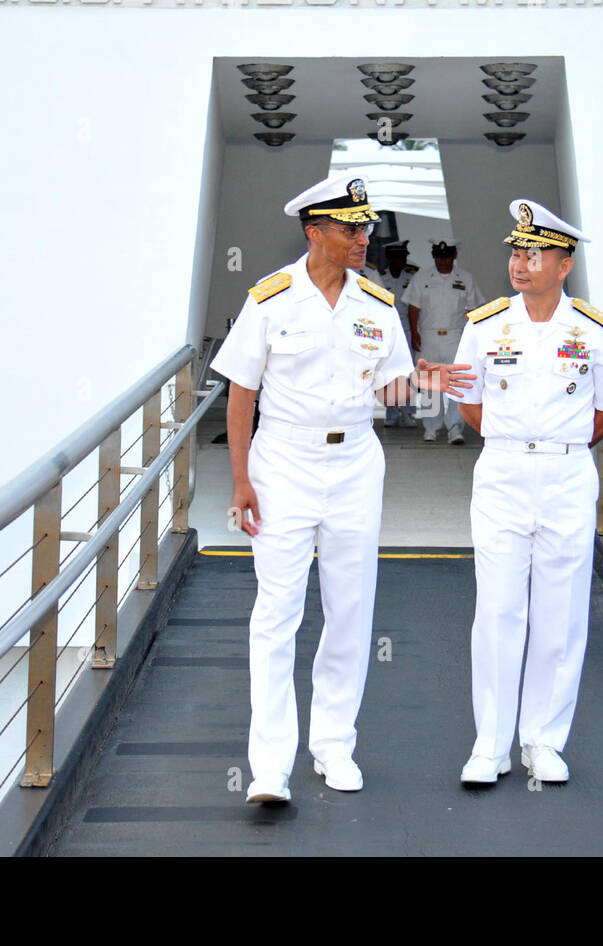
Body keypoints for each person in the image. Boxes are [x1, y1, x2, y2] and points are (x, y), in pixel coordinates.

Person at [209, 171, 474, 804]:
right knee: (277, 614)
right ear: (314, 231)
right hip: (282, 464)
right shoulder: (270, 299)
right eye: (351, 228)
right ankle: (270, 767)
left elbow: (387, 390)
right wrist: (241, 479)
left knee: (350, 610)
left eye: (364, 228)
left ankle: (333, 745)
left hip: (355, 461)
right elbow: (241, 393)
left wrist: (427, 381)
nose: (363, 238)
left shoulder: (375, 305)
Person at [448, 199, 603, 786]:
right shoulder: (485, 324)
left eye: (535, 253)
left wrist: (560, 446)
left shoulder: (596, 331)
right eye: (516, 252)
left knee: (562, 611)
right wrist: (514, 442)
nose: (520, 263)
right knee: (498, 607)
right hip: (501, 472)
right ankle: (490, 744)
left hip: (568, 475)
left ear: (564, 263)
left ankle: (544, 741)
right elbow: (470, 404)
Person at [406, 241, 487, 444]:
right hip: (429, 336)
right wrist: (415, 333)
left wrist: (472, 338)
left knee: (456, 381)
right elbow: (414, 307)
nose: (443, 261)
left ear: (455, 256)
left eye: (447, 256)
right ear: (434, 257)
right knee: (429, 382)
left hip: (456, 337)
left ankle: (455, 427)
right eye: (439, 257)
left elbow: (475, 310)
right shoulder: (422, 277)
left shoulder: (465, 278)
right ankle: (431, 427)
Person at [379, 242, 418, 428]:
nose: (399, 261)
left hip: (407, 329)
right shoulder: (380, 277)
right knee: (388, 372)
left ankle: (409, 412)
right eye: (396, 258)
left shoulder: (411, 278)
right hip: (387, 329)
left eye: (402, 258)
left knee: (408, 372)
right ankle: (392, 412)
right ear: (389, 258)